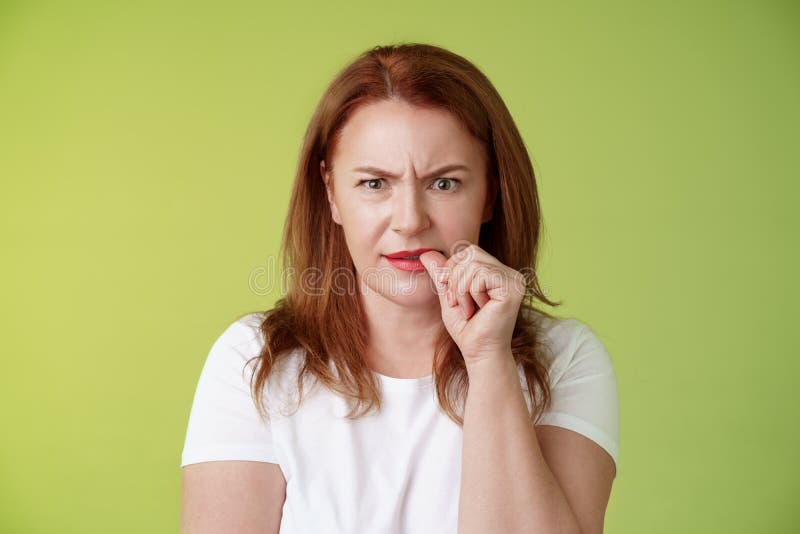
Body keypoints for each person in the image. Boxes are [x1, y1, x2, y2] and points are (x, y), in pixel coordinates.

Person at [180, 43, 619, 534]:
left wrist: (489, 359)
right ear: (331, 194)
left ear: (490, 193)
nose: (410, 222)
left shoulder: (567, 360)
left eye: (445, 184)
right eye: (374, 184)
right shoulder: (252, 362)